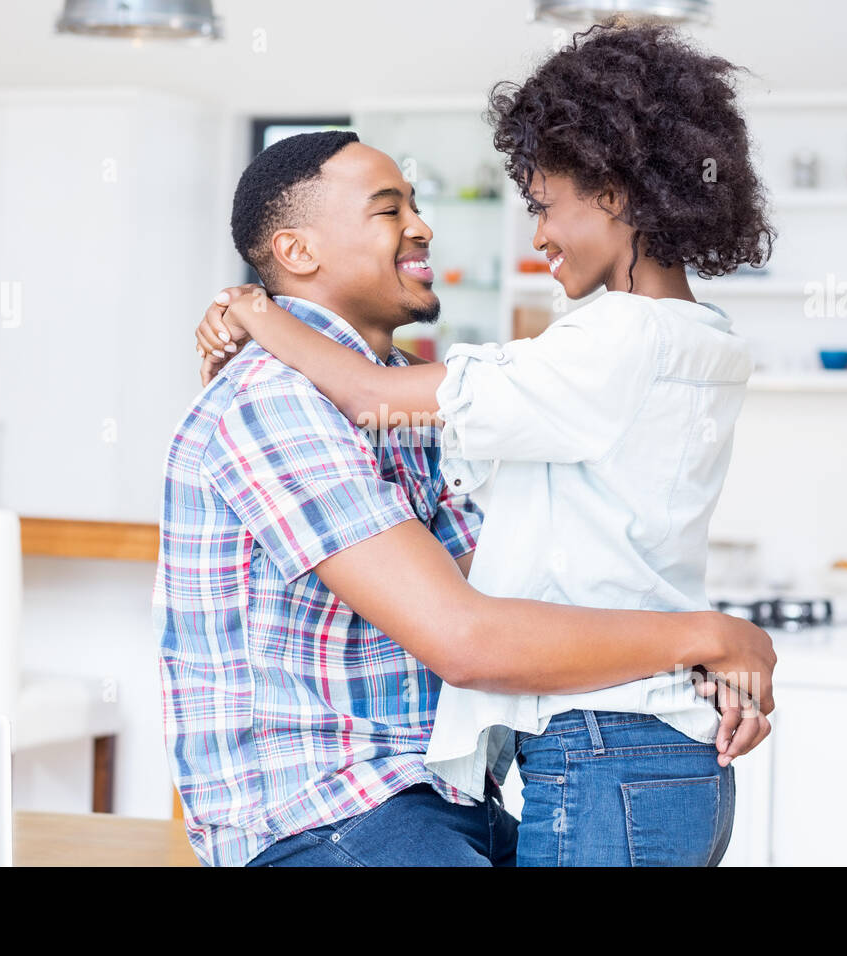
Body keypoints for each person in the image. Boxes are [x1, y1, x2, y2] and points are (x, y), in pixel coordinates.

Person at [195, 22, 775, 866]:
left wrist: (256, 312)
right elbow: (474, 613)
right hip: (385, 802)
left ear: (613, 191)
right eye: (391, 209)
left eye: (542, 206)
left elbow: (374, 399)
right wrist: (704, 640)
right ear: (297, 250)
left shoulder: (607, 341)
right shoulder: (691, 338)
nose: (428, 228)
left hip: (598, 749)